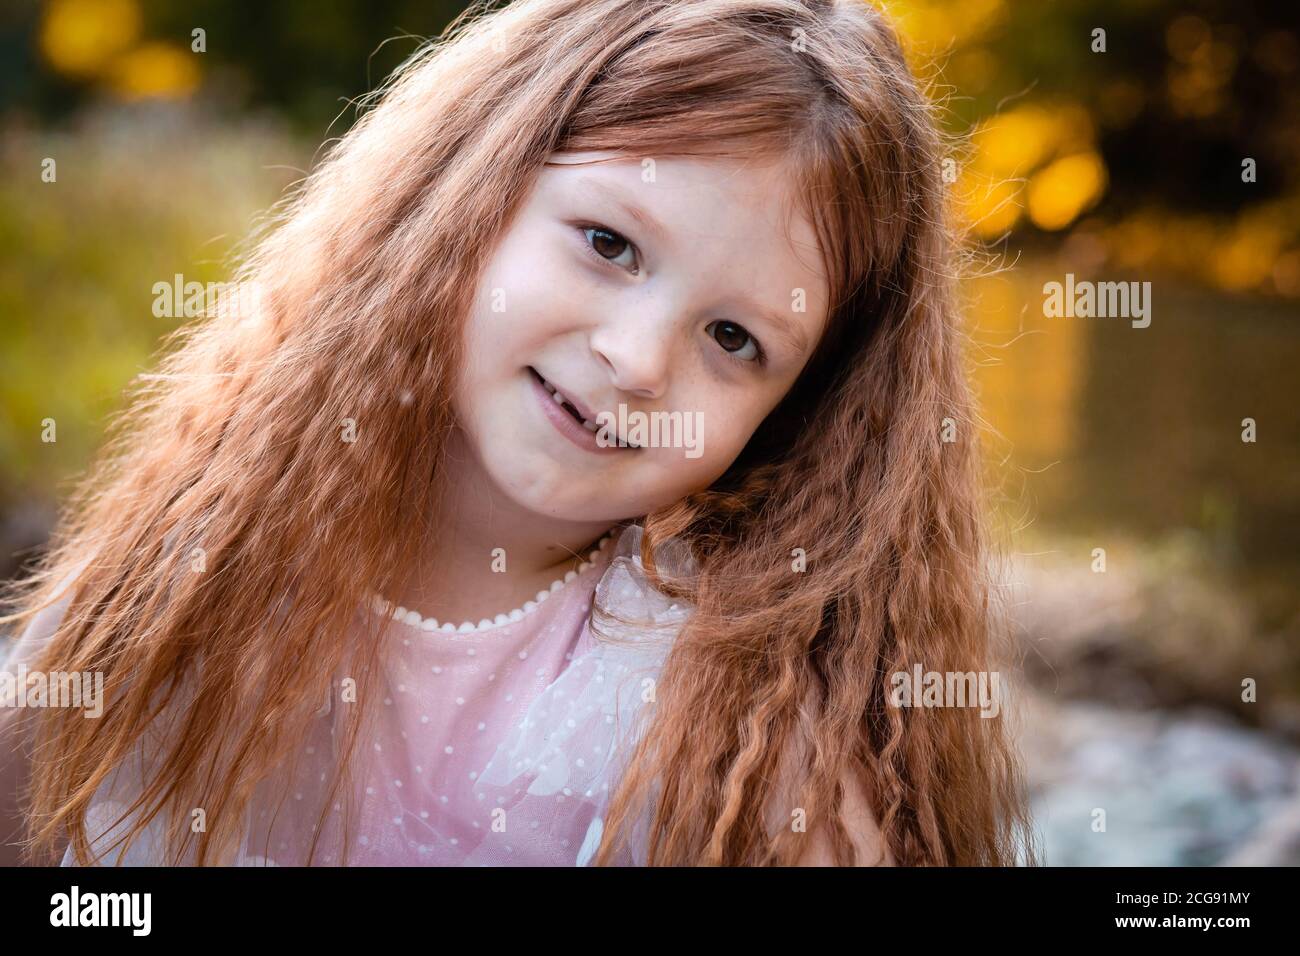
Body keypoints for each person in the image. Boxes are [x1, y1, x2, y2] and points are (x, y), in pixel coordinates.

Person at [0, 0, 1035, 867]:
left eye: (733, 336)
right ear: (470, 194)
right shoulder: (201, 558)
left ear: (798, 415)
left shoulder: (733, 731)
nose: (636, 357)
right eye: (608, 242)